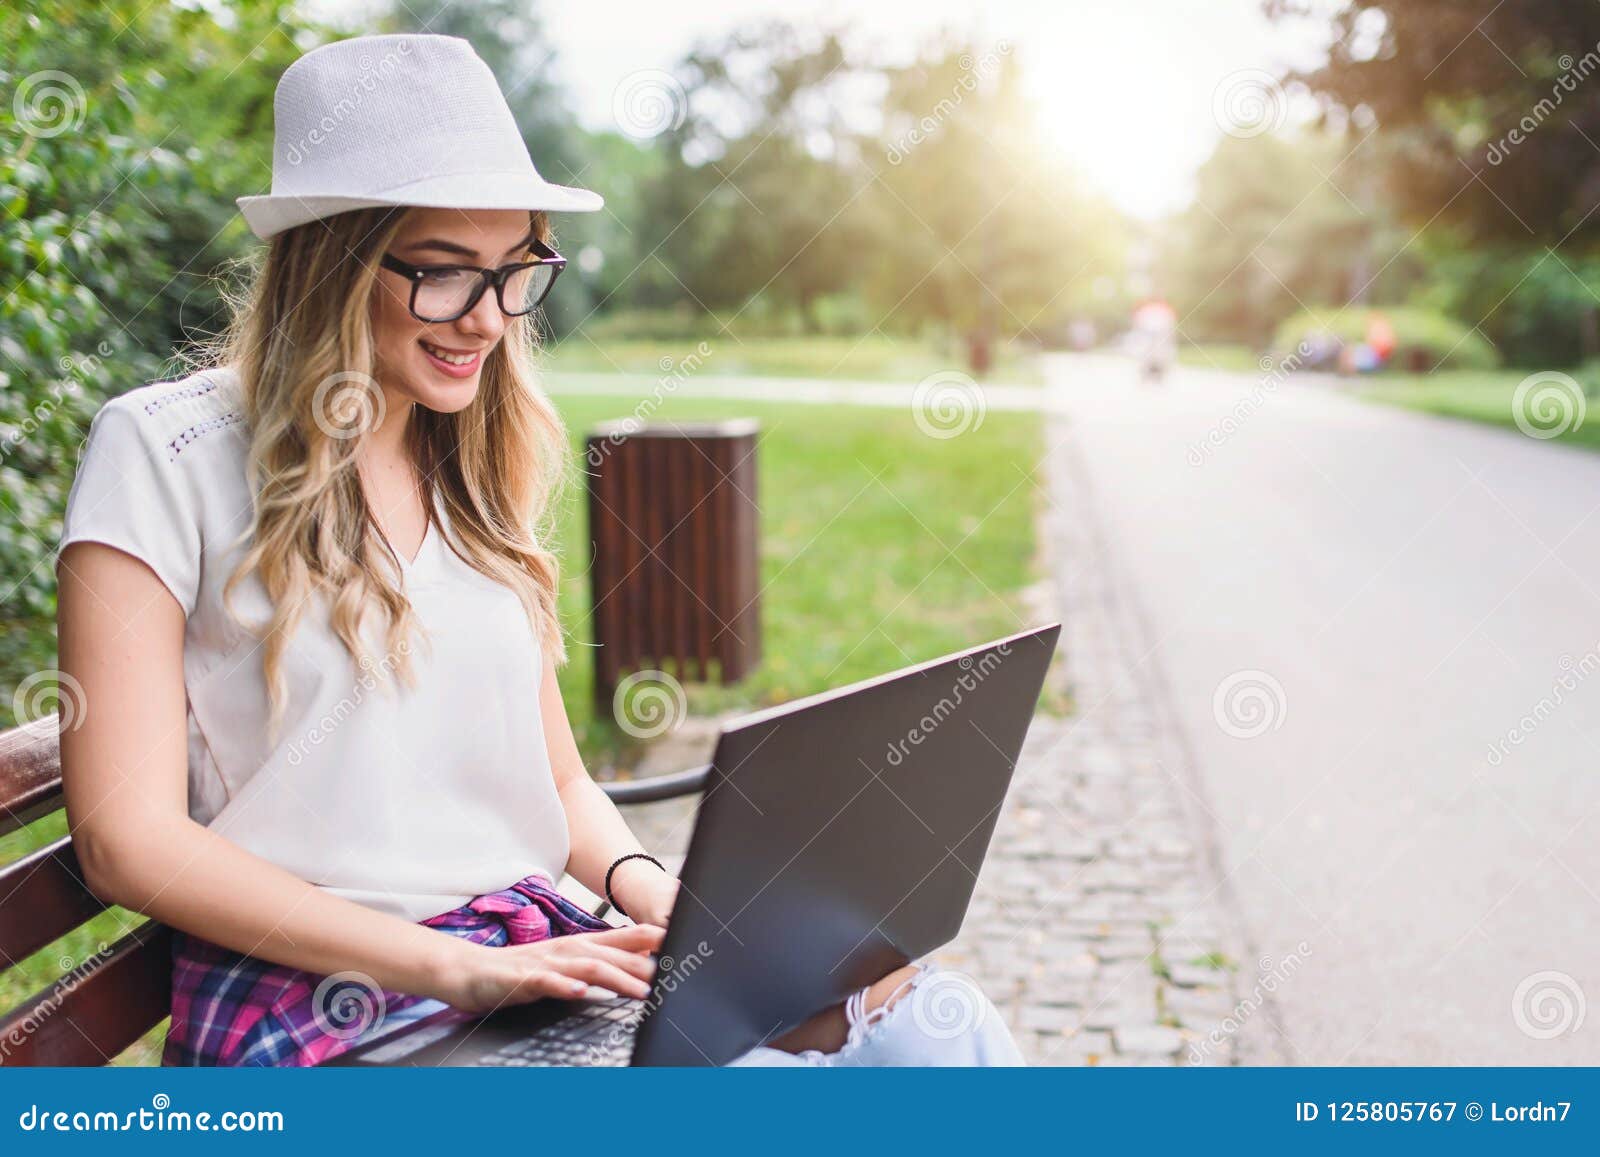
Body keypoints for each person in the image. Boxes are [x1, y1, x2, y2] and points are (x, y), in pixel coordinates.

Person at [54, 33, 1023, 1068]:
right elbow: (126, 838)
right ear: (329, 261)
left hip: (528, 957)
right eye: (443, 275)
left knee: (927, 1023)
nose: (487, 317)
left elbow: (559, 787)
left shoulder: (470, 472)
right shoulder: (165, 450)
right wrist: (450, 968)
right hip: (329, 1012)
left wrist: (669, 904)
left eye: (517, 270)